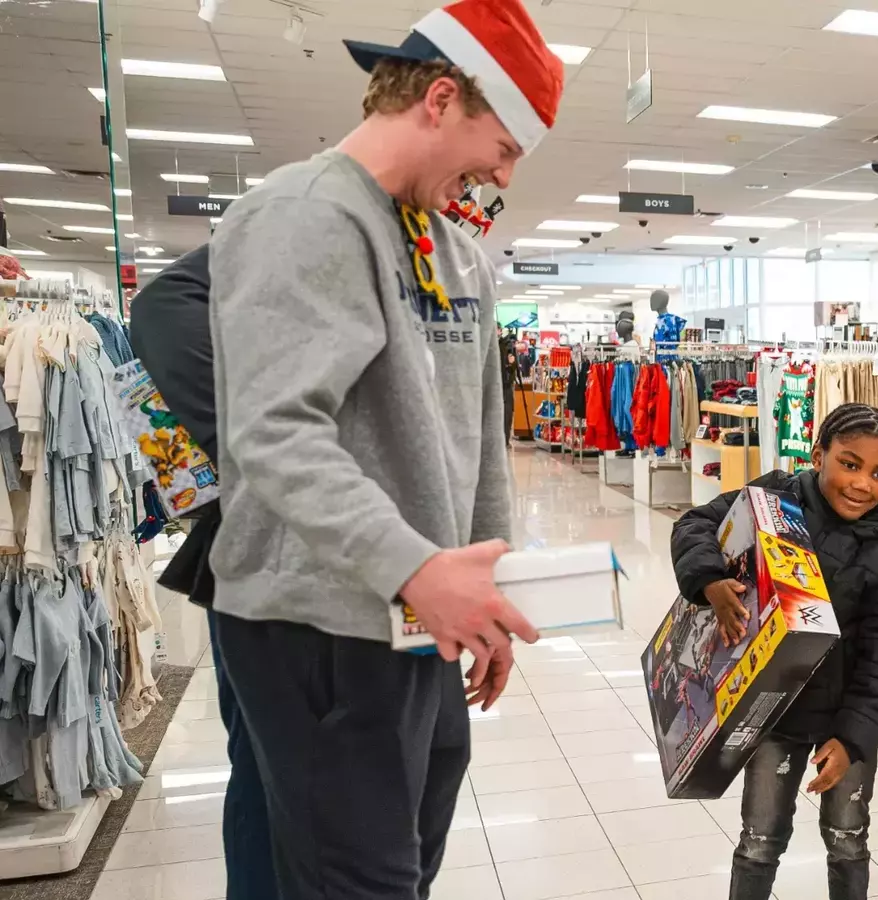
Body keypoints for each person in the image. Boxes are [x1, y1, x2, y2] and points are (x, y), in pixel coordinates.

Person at [205, 0, 563, 894]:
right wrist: (416, 568)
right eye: (505, 149)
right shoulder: (302, 216)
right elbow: (275, 433)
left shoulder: (458, 254)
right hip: (314, 621)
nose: (502, 180)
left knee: (411, 856)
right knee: (355, 879)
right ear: (440, 99)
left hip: (420, 617)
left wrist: (488, 594)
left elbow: (479, 432)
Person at [670, 404, 878, 900]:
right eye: (849, 464)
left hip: (846, 723)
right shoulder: (771, 500)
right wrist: (709, 581)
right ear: (817, 455)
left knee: (848, 840)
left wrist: (853, 740)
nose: (862, 484)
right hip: (773, 716)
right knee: (760, 841)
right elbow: (696, 524)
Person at [128, 246, 279, 900]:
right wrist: (269, 469)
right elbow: (160, 308)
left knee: (291, 770)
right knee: (265, 767)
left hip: (300, 568)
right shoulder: (302, 228)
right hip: (260, 564)